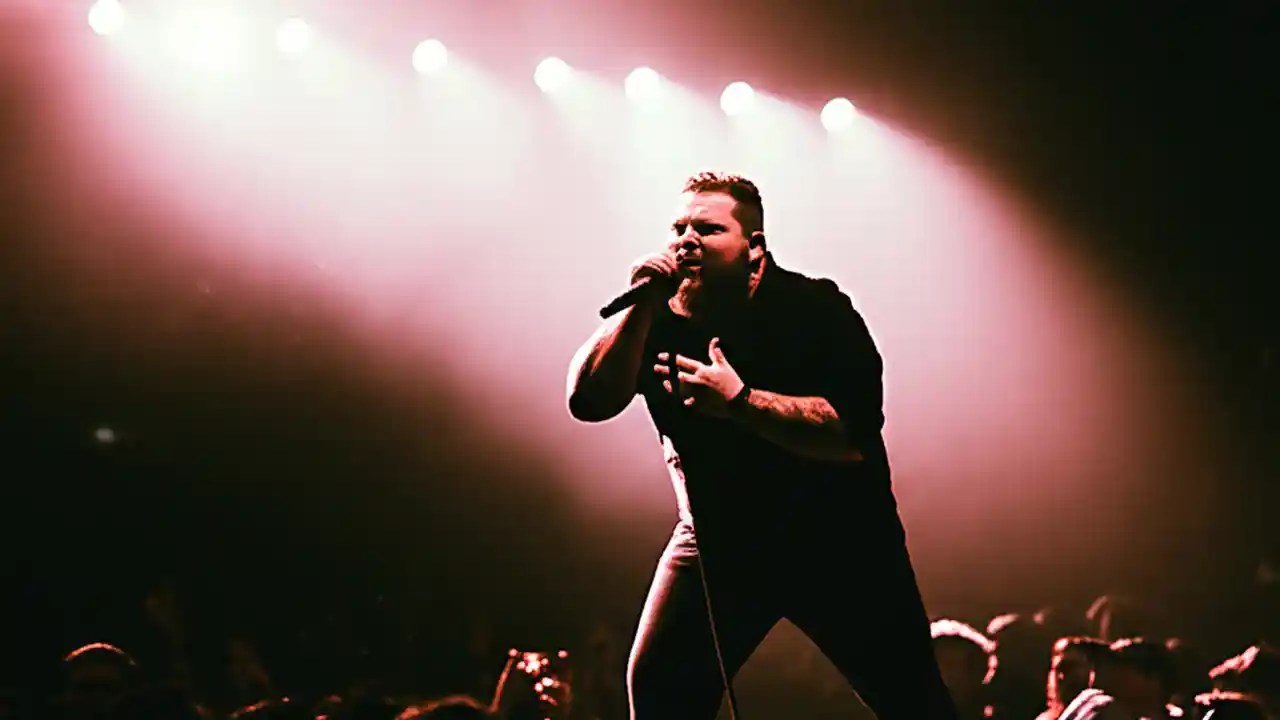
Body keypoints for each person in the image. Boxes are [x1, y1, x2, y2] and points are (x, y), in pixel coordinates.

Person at [565, 171, 957, 719]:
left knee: (913, 700)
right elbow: (588, 401)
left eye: (708, 228)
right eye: (678, 227)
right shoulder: (658, 314)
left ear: (754, 247)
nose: (686, 240)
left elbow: (852, 434)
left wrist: (740, 402)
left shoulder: (815, 309)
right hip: (716, 540)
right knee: (659, 692)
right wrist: (639, 308)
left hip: (839, 538)